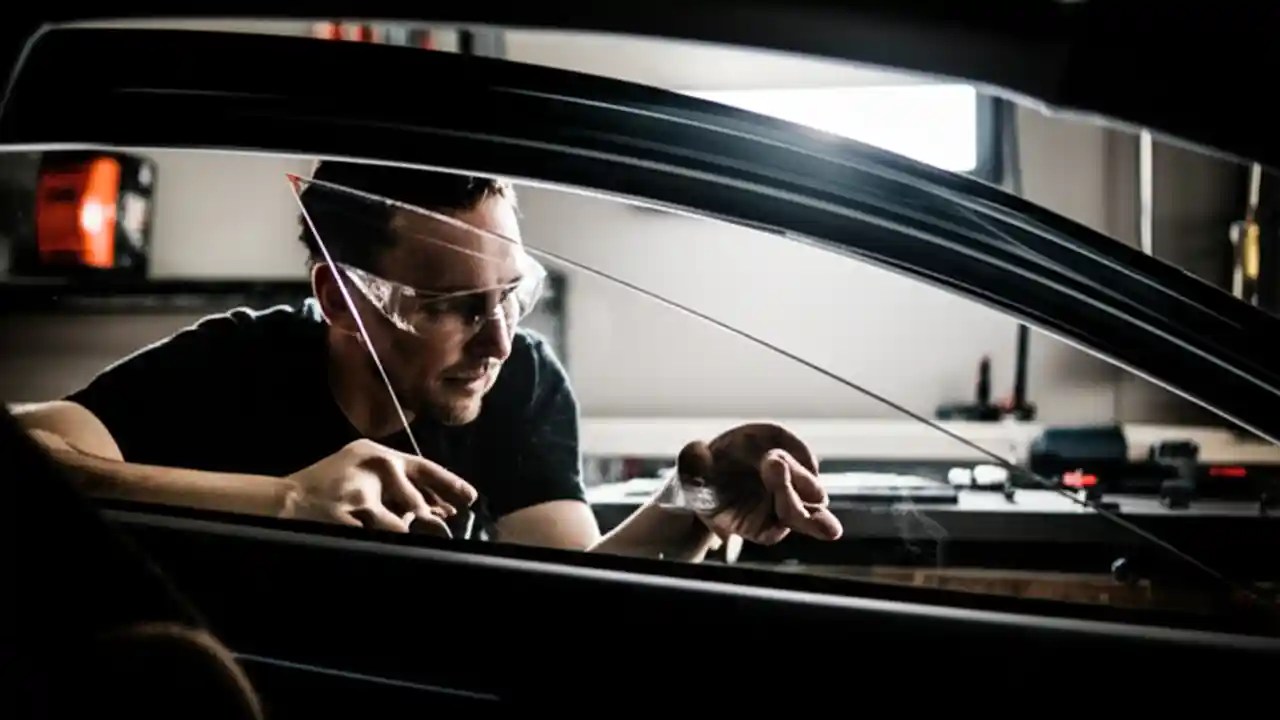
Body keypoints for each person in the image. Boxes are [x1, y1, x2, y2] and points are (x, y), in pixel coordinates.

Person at [13, 160, 842, 561]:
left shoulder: (521, 380)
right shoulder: (238, 364)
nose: (498, 341)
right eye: (454, 308)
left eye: (512, 295)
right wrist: (284, 500)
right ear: (341, 300)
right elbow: (29, 454)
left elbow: (573, 592)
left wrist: (693, 500)